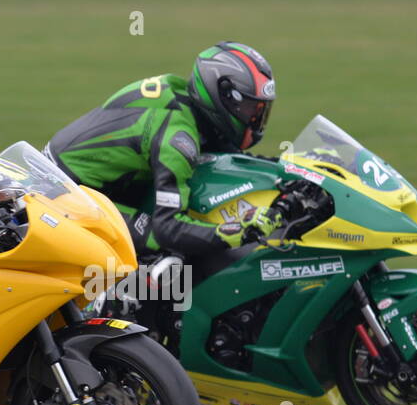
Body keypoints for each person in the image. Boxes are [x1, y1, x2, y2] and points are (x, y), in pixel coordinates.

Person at [46, 41, 282, 257]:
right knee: (175, 252)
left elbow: (230, 158)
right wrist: (234, 232)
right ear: (225, 97)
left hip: (89, 185)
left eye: (261, 112)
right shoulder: (178, 138)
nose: (255, 121)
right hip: (66, 195)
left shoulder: (186, 102)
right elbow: (167, 229)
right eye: (251, 110)